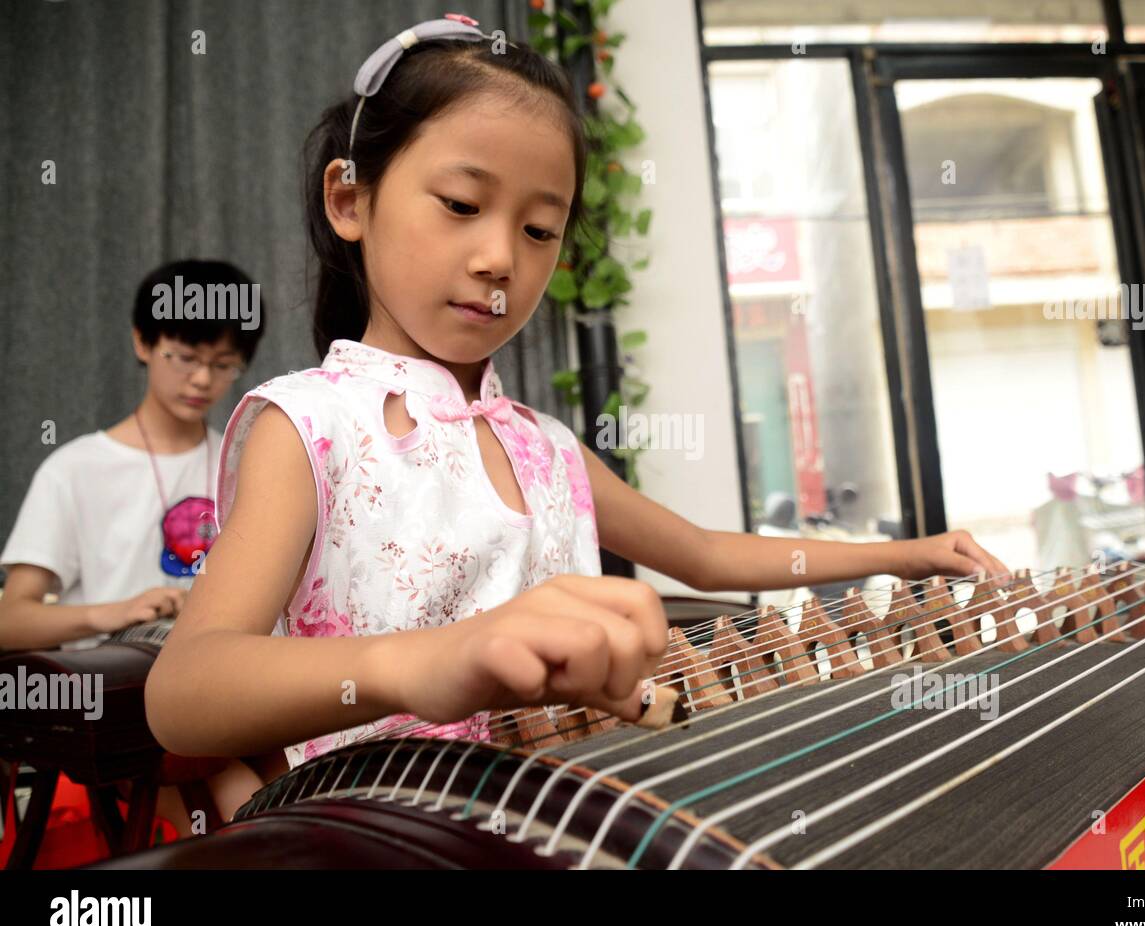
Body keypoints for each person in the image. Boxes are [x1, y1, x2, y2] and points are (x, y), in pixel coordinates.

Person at [144, 15, 1011, 779]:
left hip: (560, 822)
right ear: (350, 199)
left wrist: (905, 554)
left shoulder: (544, 446)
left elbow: (705, 556)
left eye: (537, 229)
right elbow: (185, 691)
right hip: (387, 835)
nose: (498, 257)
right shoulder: (313, 428)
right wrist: (423, 662)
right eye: (459, 204)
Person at [0, 259, 269, 829]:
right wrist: (117, 611)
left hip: (222, 687)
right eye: (186, 357)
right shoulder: (74, 470)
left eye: (224, 365)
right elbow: (10, 620)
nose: (202, 381)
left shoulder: (249, 467)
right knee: (202, 768)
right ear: (143, 342)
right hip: (112, 708)